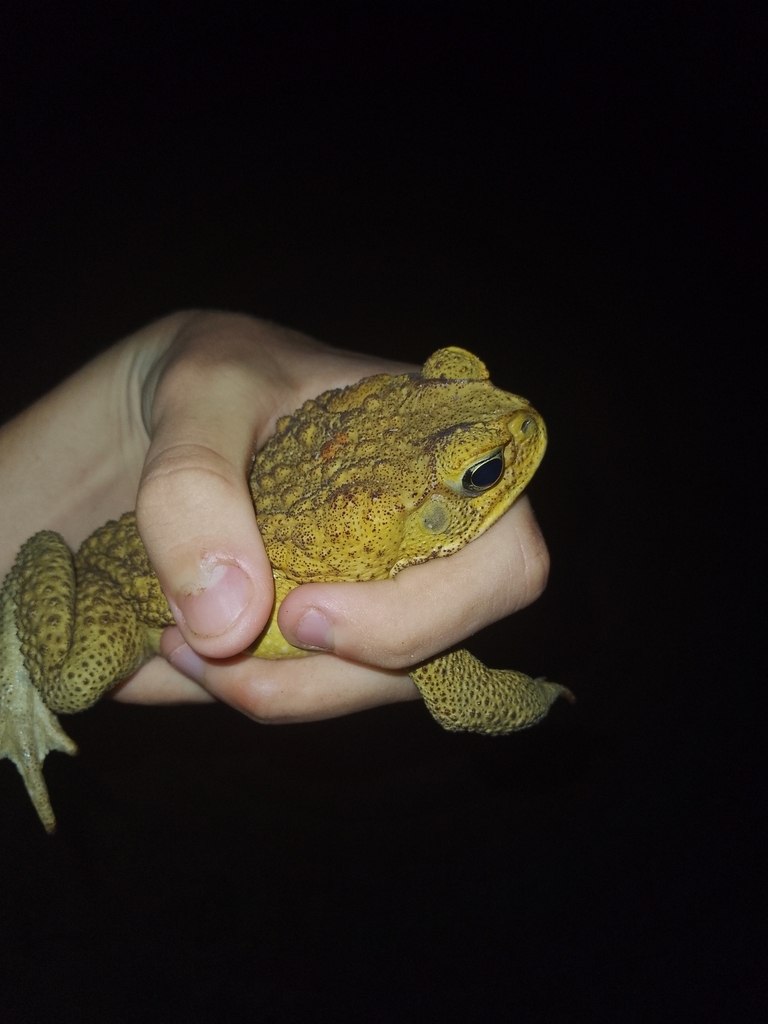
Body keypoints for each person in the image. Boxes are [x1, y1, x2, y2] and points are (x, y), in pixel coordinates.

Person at [0, 311, 550, 723]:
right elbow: (462, 702)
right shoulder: (383, 548)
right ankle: (18, 619)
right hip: (124, 597)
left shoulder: (381, 550)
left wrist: (123, 406)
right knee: (73, 684)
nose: (516, 410)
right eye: (484, 472)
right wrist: (539, 700)